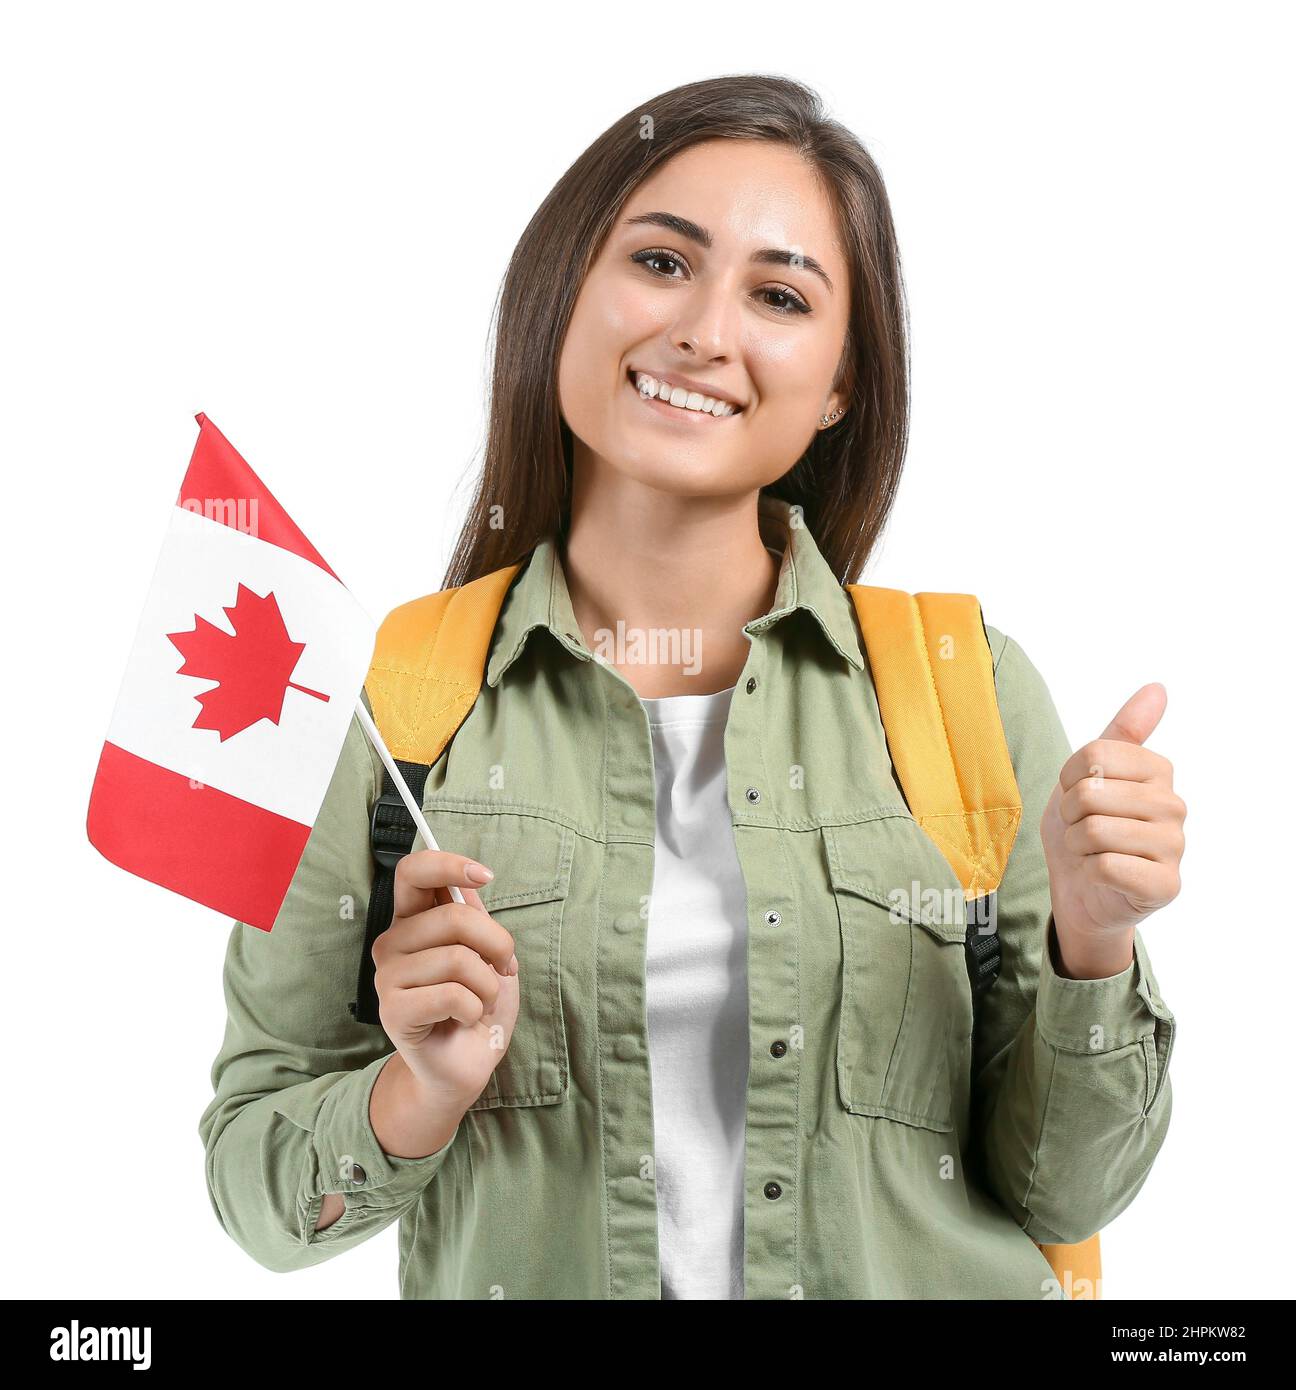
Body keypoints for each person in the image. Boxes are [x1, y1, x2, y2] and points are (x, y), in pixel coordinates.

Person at [199, 73, 1185, 1300]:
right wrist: (419, 1094)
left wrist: (1095, 938)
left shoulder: (963, 690)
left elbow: (1068, 1192)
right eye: (662, 263)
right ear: (564, 291)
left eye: (779, 295)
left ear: (841, 383)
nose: (706, 333)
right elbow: (253, 1182)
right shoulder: (380, 708)